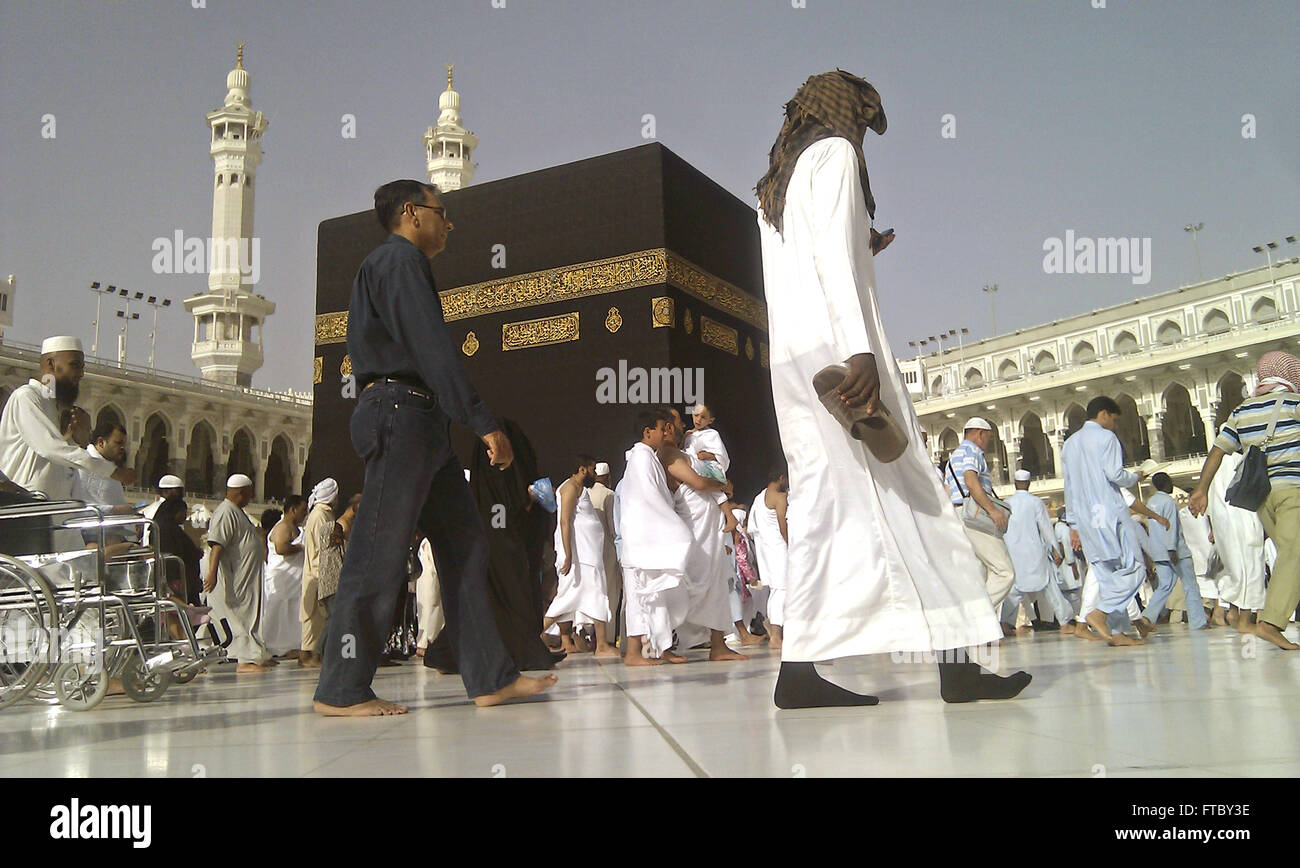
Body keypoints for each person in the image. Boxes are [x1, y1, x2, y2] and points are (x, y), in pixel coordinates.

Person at [755, 70, 1020, 708]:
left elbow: (816, 257)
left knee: (827, 509)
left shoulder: (772, 187)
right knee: (921, 497)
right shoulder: (836, 153)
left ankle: (799, 671)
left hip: (796, 365)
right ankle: (957, 665)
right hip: (845, 359)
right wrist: (859, 351)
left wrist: (863, 245)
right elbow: (834, 266)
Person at [313, 179, 554, 716]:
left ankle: (490, 676)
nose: (448, 223)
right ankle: (342, 688)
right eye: (440, 212)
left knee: (467, 547)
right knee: (377, 552)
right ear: (410, 213)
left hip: (422, 422)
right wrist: (482, 420)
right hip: (403, 415)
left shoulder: (393, 265)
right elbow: (431, 346)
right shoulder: (398, 263)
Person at [1190, 350, 1300, 650]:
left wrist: (1201, 489)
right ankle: (1271, 623)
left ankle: (1271, 618)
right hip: (1293, 492)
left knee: (1290, 557)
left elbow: (1217, 451)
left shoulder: (1241, 411)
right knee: (1294, 554)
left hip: (1263, 499)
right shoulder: (1294, 404)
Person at [0, 336, 134, 506]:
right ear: (50, 364)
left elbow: (60, 459)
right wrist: (114, 472)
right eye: (74, 365)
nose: (81, 374)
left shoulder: (55, 406)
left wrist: (77, 441)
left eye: (82, 367)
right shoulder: (27, 397)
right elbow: (51, 448)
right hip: (24, 511)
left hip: (54, 514)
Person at [1061, 396, 1151, 645]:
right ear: (1103, 414)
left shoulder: (1069, 444)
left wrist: (1073, 524)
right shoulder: (1106, 438)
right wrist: (1135, 477)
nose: (1114, 424)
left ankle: (1118, 633)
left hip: (1085, 517)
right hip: (1108, 512)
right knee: (1134, 567)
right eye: (1113, 419)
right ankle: (1099, 613)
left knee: (1107, 573)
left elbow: (1068, 486)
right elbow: (1114, 474)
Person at [617, 409, 692, 665]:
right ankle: (633, 653)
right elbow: (648, 500)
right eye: (662, 428)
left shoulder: (649, 457)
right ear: (647, 432)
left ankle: (663, 647)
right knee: (641, 598)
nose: (665, 433)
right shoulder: (641, 458)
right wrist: (674, 528)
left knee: (657, 598)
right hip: (642, 542)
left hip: (648, 541)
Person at [944, 417, 1017, 615]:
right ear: (980, 434)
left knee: (980, 571)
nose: (987, 442)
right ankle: (978, 616)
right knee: (1005, 572)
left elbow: (946, 490)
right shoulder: (972, 451)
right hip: (976, 513)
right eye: (988, 437)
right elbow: (970, 479)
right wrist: (992, 510)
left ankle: (980, 625)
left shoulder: (954, 457)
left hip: (960, 514)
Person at [544, 455, 615, 656]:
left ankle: (601, 644)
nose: (594, 474)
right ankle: (601, 645)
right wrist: (568, 554)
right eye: (592, 470)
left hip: (587, 556)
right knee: (566, 601)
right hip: (579, 558)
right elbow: (564, 521)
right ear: (582, 470)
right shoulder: (570, 488)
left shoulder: (579, 488)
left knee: (592, 597)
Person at [204, 474, 273, 673]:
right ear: (241, 492)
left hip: (248, 576)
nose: (252, 497)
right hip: (237, 577)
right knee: (241, 616)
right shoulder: (226, 512)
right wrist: (212, 573)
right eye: (250, 493)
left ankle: (256, 654)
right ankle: (245, 661)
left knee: (251, 615)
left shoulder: (237, 511)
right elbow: (217, 545)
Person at [1001, 470, 1076, 632]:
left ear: (1015, 483)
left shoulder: (1006, 503)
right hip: (1034, 552)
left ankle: (1006, 623)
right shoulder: (1035, 502)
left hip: (1013, 553)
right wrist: (1056, 550)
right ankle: (1064, 622)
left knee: (1014, 590)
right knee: (1049, 587)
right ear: (1028, 484)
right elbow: (1046, 528)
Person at [1144, 473, 1208, 630]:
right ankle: (1198, 622)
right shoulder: (1168, 502)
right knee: (1190, 585)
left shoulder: (1151, 502)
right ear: (1166, 483)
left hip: (1158, 552)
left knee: (1165, 586)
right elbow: (1170, 526)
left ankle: (1147, 617)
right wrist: (1172, 549)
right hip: (1175, 551)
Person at [749, 464, 789, 649]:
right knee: (781, 589)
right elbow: (783, 525)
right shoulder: (780, 497)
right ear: (781, 478)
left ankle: (771, 626)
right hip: (778, 547)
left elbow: (752, 528)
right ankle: (776, 634)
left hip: (764, 549)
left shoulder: (759, 497)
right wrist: (791, 544)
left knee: (775, 589)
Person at [264, 494, 308, 658]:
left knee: (292, 614)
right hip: (283, 581)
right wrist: (300, 548)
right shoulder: (283, 527)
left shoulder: (294, 528)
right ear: (292, 509)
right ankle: (278, 647)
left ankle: (292, 645)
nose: (305, 514)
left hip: (294, 582)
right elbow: (281, 548)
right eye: (303, 510)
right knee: (281, 613)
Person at [300, 478, 338, 667]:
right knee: (317, 615)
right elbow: (326, 546)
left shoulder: (323, 514)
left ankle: (315, 654)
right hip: (319, 571)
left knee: (319, 616)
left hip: (320, 571)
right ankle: (311, 655)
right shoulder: (320, 515)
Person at [588, 461, 623, 647]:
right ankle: (607, 638)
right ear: (607, 478)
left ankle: (588, 634)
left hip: (590, 550)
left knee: (594, 592)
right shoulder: (609, 494)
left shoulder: (585, 493)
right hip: (607, 550)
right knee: (610, 593)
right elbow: (613, 527)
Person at [684, 403, 730, 483]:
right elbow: (682, 449)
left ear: (710, 420)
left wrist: (708, 455)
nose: (698, 420)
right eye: (696, 415)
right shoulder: (688, 434)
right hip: (690, 469)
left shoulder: (712, 434)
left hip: (707, 469)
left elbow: (723, 457)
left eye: (703, 417)